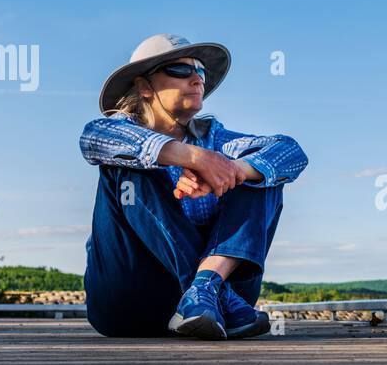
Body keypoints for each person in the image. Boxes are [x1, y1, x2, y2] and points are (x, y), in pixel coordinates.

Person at [79, 33, 307, 339]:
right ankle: (205, 291)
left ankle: (204, 289)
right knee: (129, 166)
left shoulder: (219, 140)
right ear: (144, 86)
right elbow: (94, 136)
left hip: (217, 312)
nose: (197, 79)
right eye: (181, 70)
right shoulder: (118, 129)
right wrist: (194, 157)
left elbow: (290, 151)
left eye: (200, 71)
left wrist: (231, 169)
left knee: (262, 172)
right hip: (129, 304)